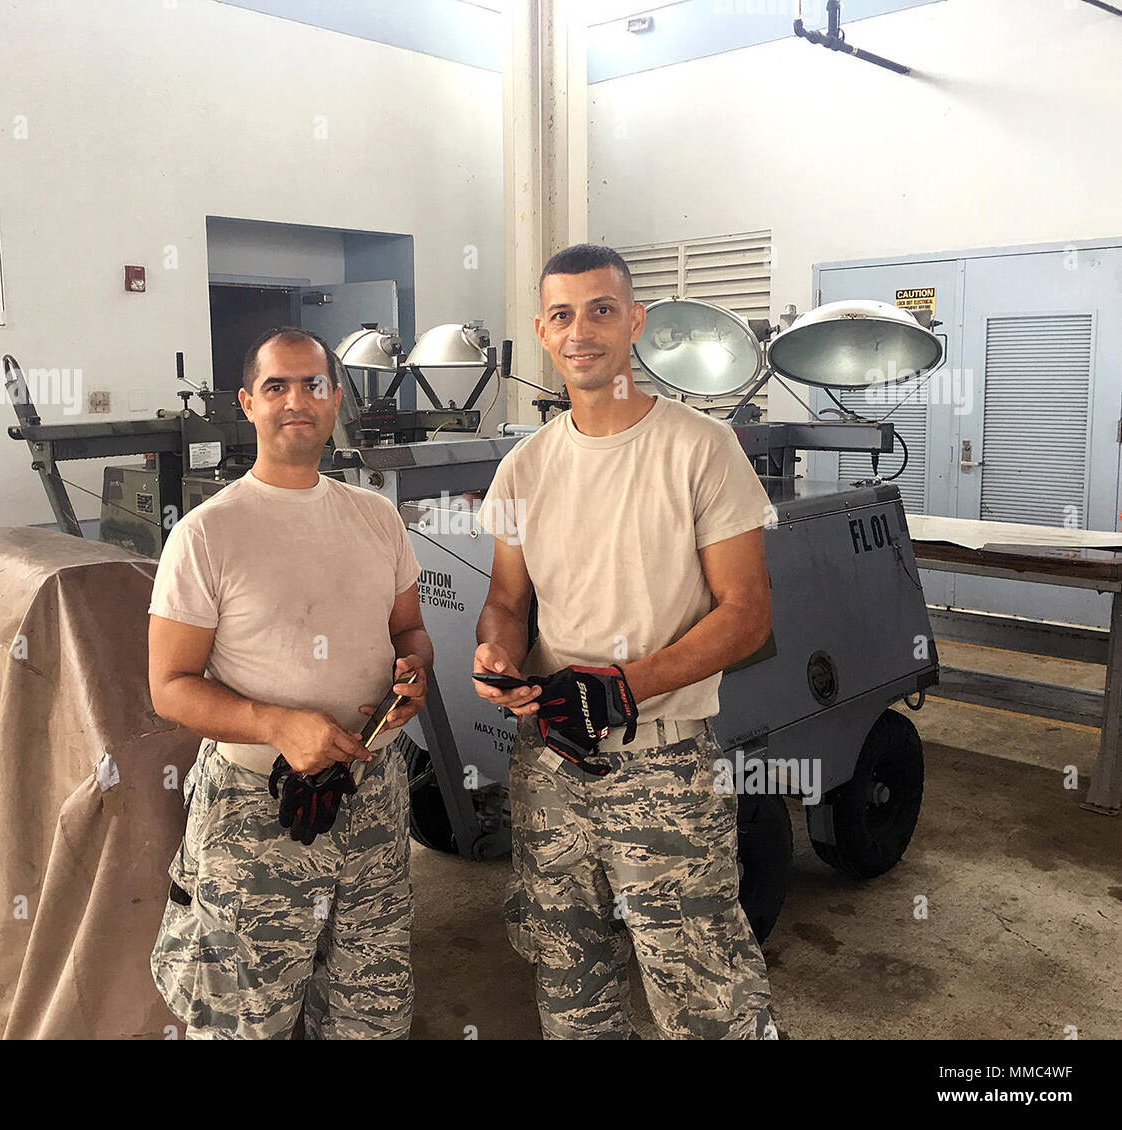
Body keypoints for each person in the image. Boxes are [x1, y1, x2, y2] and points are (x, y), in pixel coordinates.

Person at [473, 244, 776, 1039]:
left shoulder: (701, 449)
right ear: (543, 330)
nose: (583, 330)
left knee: (705, 992)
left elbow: (747, 614)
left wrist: (622, 686)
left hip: (664, 765)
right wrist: (497, 656)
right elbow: (506, 601)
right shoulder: (524, 469)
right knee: (570, 982)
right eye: (564, 314)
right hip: (551, 761)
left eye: (602, 309)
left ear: (634, 321)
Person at [147, 326, 432, 1039]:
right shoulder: (208, 534)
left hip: (374, 791)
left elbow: (409, 631)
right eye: (276, 386)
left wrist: (414, 670)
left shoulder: (376, 518)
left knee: (370, 1009)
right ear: (248, 403)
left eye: (313, 384)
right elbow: (171, 686)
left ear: (337, 400)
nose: (295, 400)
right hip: (256, 806)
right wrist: (279, 725)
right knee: (247, 1016)